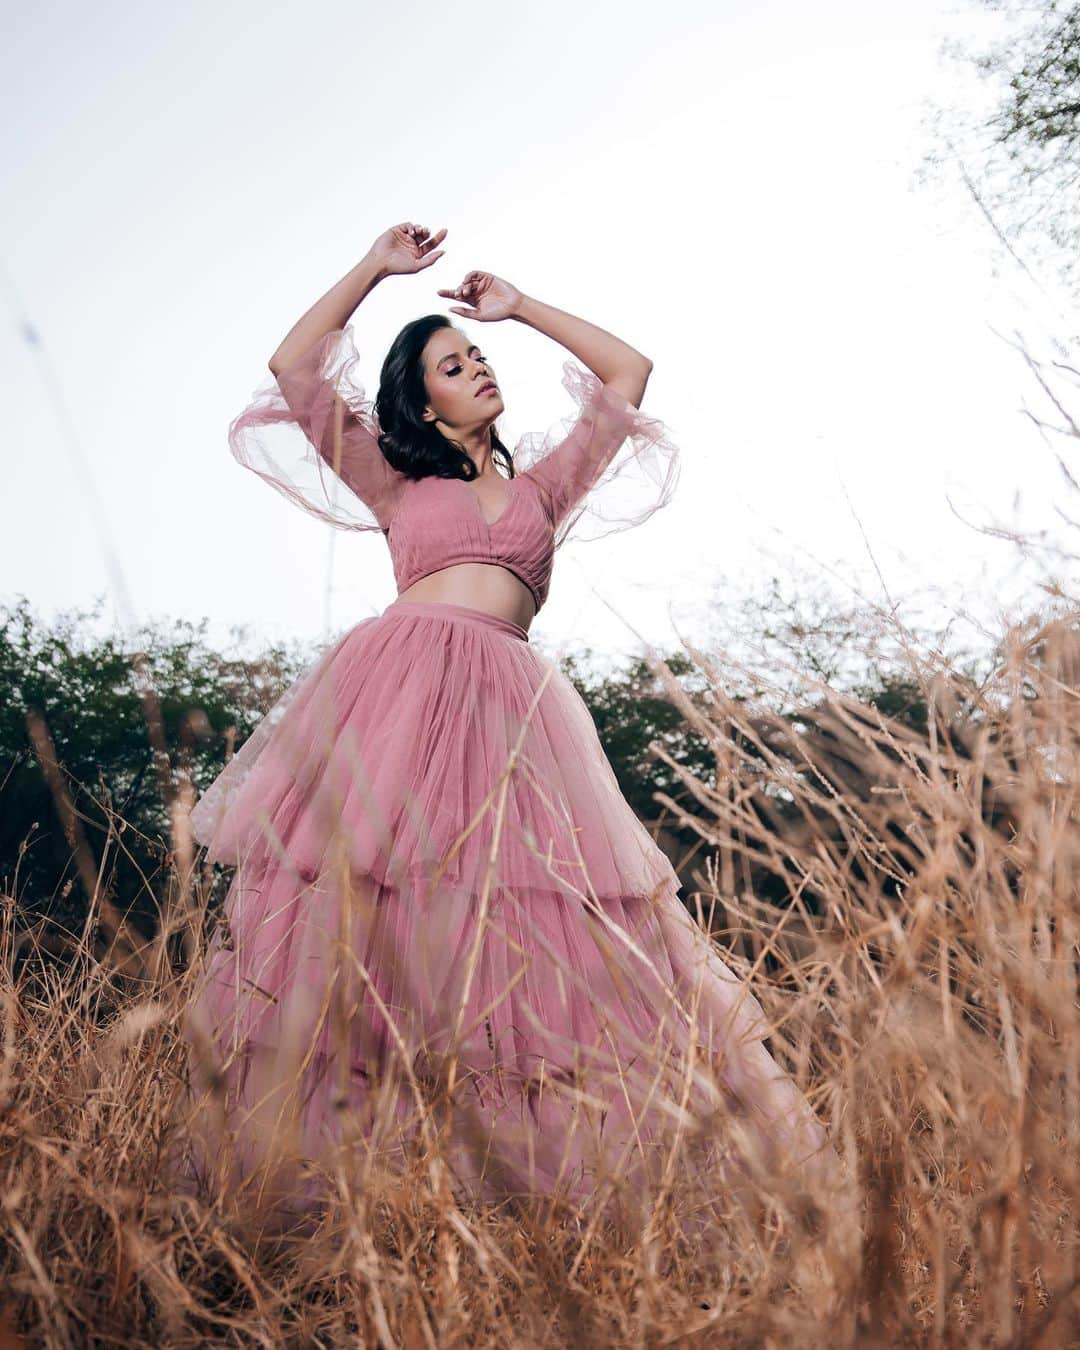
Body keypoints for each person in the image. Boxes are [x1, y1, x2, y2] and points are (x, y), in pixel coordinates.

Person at [171, 220, 837, 1238]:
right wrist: (375, 270)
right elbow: (294, 365)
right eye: (452, 362)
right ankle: (346, 1197)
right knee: (366, 918)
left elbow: (629, 369)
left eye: (477, 356)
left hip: (513, 715)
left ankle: (526, 1200)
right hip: (396, 700)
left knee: (542, 928)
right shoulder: (394, 481)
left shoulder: (543, 490)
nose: (476, 367)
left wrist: (519, 307)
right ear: (420, 398)